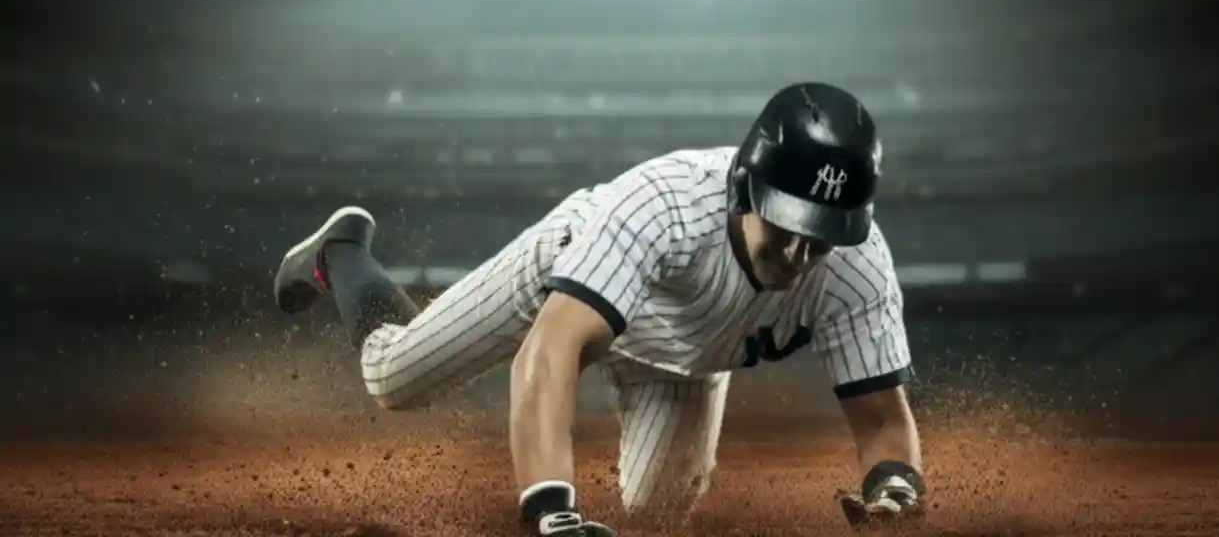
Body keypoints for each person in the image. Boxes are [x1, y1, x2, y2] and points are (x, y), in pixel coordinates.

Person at [272, 82, 926, 536]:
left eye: (822, 234)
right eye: (785, 222)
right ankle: (342, 251)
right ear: (744, 187)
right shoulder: (663, 207)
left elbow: (881, 420)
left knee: (653, 520)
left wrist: (894, 492)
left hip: (683, 360)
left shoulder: (856, 265)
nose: (798, 251)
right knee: (390, 377)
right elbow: (550, 352)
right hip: (568, 279)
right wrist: (550, 508)